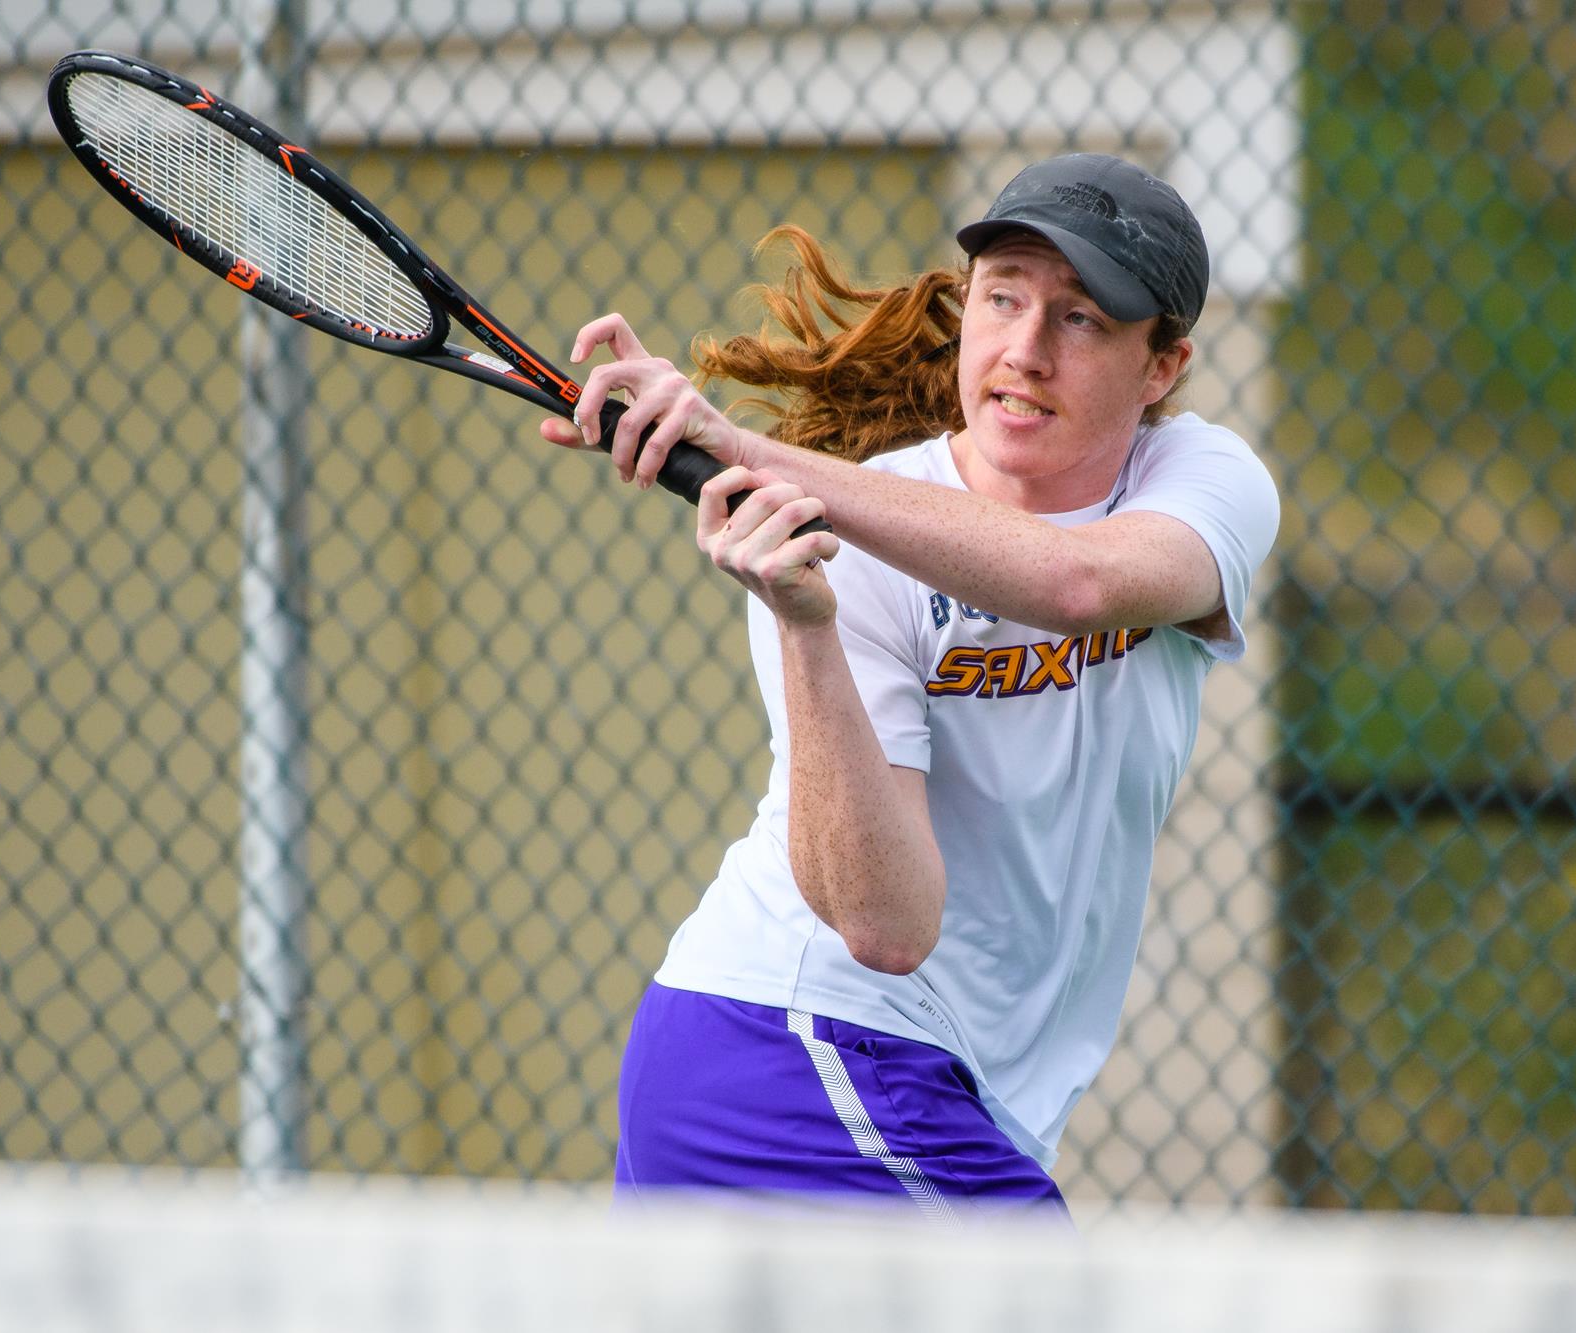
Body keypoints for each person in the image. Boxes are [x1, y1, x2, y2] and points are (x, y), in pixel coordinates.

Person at [542, 153, 1280, 1223]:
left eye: (1078, 320)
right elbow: (885, 924)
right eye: (1002, 299)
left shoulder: (1204, 482)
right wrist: (806, 626)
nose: (1023, 351)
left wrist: (742, 446)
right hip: (792, 1046)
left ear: (1161, 366)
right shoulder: (834, 541)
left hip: (922, 1079)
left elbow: (1077, 581)